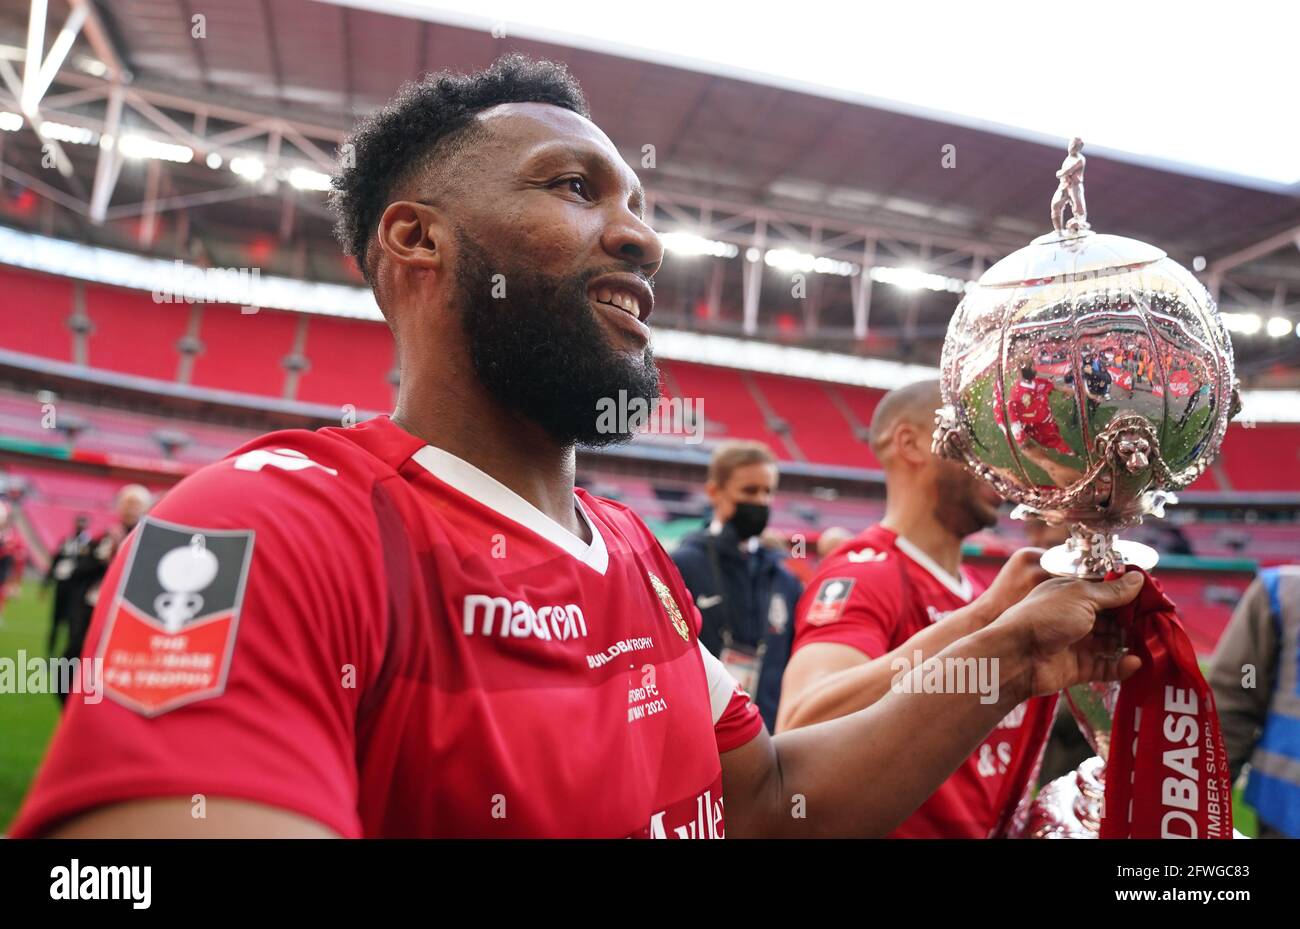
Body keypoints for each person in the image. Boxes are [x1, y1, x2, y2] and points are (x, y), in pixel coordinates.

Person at [11, 57, 1143, 840]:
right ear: (417, 238)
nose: (643, 235)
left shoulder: (634, 556)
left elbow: (763, 796)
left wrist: (1008, 653)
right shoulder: (263, 524)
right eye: (573, 187)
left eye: (640, 202)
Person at [777, 380, 1058, 837]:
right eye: (976, 440)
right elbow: (800, 725)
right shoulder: (868, 575)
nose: (1000, 464)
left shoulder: (982, 590)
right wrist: (983, 623)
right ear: (910, 443)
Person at [671, 441, 802, 731]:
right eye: (749, 491)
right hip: (700, 732)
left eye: (767, 491)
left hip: (769, 735)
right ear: (715, 492)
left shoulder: (784, 580)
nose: (760, 501)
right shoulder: (680, 566)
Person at [1207, 565, 1300, 838]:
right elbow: (1244, 682)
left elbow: (1241, 690)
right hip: (1285, 807)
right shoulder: (1282, 592)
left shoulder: (1282, 589)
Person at [51, 485, 151, 706]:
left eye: (135, 505)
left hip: (128, 611)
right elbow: (79, 571)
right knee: (72, 657)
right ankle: (71, 704)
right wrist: (101, 558)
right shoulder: (104, 538)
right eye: (127, 504)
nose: (130, 510)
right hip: (94, 605)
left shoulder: (150, 540)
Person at [43, 513, 92, 652]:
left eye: (83, 523)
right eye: (78, 522)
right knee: (55, 621)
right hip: (62, 585)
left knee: (73, 622)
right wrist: (46, 582)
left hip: (76, 588)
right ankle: (50, 654)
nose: (80, 526)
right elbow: (55, 561)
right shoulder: (66, 541)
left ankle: (67, 655)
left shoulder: (90, 544)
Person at [0, 501, 27, 623]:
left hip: (4, 566)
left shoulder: (11, 535)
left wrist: (16, 582)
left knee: (2, 589)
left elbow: (18, 555)